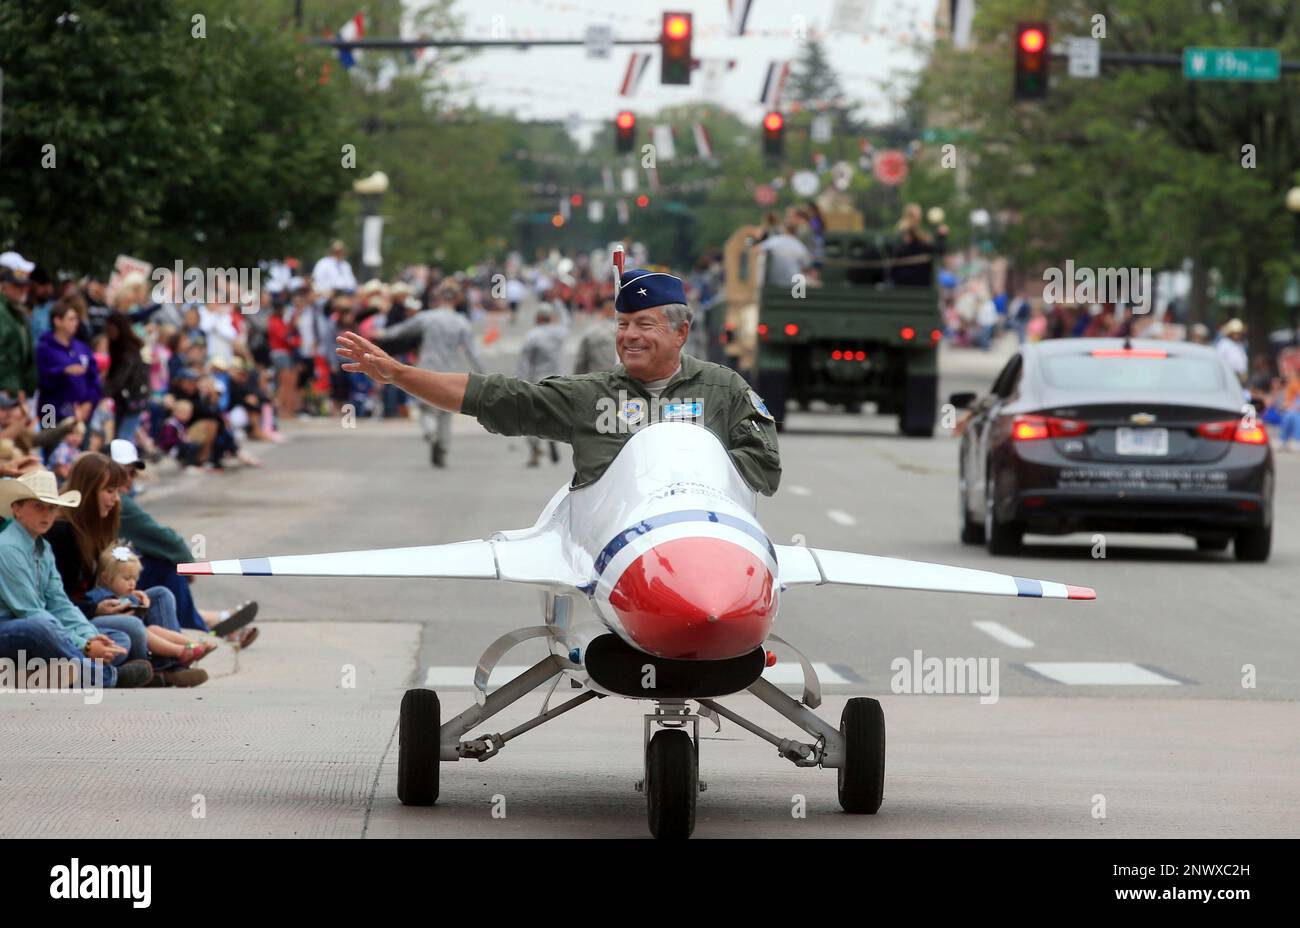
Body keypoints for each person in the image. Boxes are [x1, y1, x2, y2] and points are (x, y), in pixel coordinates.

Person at [337, 267, 781, 495]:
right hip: (615, 550)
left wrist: (688, 476)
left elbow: (765, 467)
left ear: (680, 332)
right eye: (623, 324)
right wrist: (399, 374)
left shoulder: (723, 389)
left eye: (644, 324)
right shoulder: (590, 394)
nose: (628, 336)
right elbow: (491, 396)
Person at [0, 470, 154, 689]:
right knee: (40, 628)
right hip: (13, 627)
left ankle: (35, 675)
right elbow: (30, 610)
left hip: (41, 631)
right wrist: (85, 646)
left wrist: (92, 638)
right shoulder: (7, 548)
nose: (47, 514)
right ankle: (108, 677)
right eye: (38, 506)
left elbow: (60, 603)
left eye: (52, 507)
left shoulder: (44, 549)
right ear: (17, 509)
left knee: (118, 640)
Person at [112, 442, 259, 645]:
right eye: (124, 473)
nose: (130, 480)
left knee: (160, 569)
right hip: (102, 581)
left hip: (109, 572)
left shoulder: (113, 497)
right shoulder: (118, 501)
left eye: (133, 473)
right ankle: (205, 628)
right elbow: (162, 538)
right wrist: (187, 563)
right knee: (167, 568)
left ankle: (210, 622)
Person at [374, 281, 485, 468]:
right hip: (450, 370)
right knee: (447, 411)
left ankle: (430, 432)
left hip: (427, 367)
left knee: (426, 407)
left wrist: (382, 333)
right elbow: (472, 352)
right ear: (457, 299)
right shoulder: (461, 322)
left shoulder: (427, 317)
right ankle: (443, 446)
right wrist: (483, 375)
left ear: (439, 297)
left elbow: (403, 330)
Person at [89, 544, 216, 668]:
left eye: (135, 579)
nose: (132, 584)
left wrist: (140, 602)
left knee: (154, 628)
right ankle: (180, 652)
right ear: (105, 578)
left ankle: (194, 645)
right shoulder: (100, 595)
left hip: (140, 635)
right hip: (120, 634)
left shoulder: (126, 594)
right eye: (127, 579)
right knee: (146, 630)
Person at [518, 301, 570, 467]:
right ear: (551, 318)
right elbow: (567, 321)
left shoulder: (532, 335)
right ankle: (552, 438)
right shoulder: (559, 333)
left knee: (530, 418)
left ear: (538, 318)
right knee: (552, 414)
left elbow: (524, 361)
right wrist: (560, 305)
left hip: (537, 381)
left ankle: (534, 450)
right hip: (557, 381)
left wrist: (521, 381)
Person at [36, 297, 101, 425]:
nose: (76, 323)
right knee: (50, 443)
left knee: (80, 445)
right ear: (58, 321)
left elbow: (94, 378)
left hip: (80, 413)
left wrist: (89, 402)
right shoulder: (44, 348)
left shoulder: (82, 348)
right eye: (71, 319)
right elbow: (41, 379)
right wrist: (63, 371)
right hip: (51, 409)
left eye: (76, 319)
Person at [104, 311, 152, 446]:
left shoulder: (129, 350)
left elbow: (121, 377)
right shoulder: (117, 347)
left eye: (111, 328)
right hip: (121, 398)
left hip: (133, 396)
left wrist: (104, 392)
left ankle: (122, 465)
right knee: (118, 434)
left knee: (124, 437)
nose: (109, 332)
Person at [0, 255, 38, 403]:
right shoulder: (4, 312)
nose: (24, 290)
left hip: (15, 396)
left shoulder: (15, 313)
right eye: (18, 285)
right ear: (3, 284)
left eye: (25, 285)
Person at [758, 221, 813, 288]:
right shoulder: (799, 245)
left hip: (774, 282)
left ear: (784, 229)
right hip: (794, 285)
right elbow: (807, 265)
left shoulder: (773, 241)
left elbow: (757, 250)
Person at [573, 296, 619, 375]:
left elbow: (581, 362)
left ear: (603, 311)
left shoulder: (592, 332)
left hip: (597, 381)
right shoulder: (628, 332)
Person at [1215, 318, 1249, 385]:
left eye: (1239, 333)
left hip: (1240, 377)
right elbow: (1219, 361)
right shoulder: (1224, 344)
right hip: (1228, 376)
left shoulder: (1240, 345)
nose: (1237, 335)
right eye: (1236, 333)